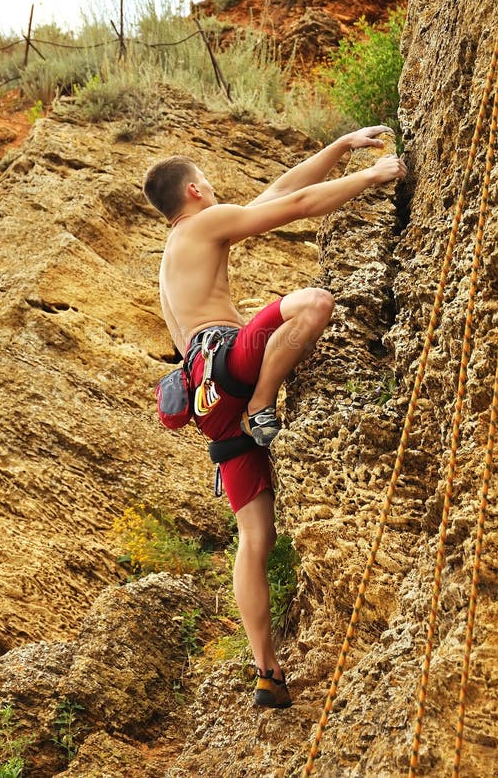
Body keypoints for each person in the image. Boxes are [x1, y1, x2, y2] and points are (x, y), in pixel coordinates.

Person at [143, 126, 406, 709]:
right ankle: (265, 402)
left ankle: (266, 671)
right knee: (314, 303)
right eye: (208, 180)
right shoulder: (203, 224)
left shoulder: (181, 249)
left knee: (253, 538)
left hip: (209, 405)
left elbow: (278, 192)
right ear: (194, 188)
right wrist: (373, 175)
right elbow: (299, 206)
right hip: (231, 372)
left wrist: (340, 146)